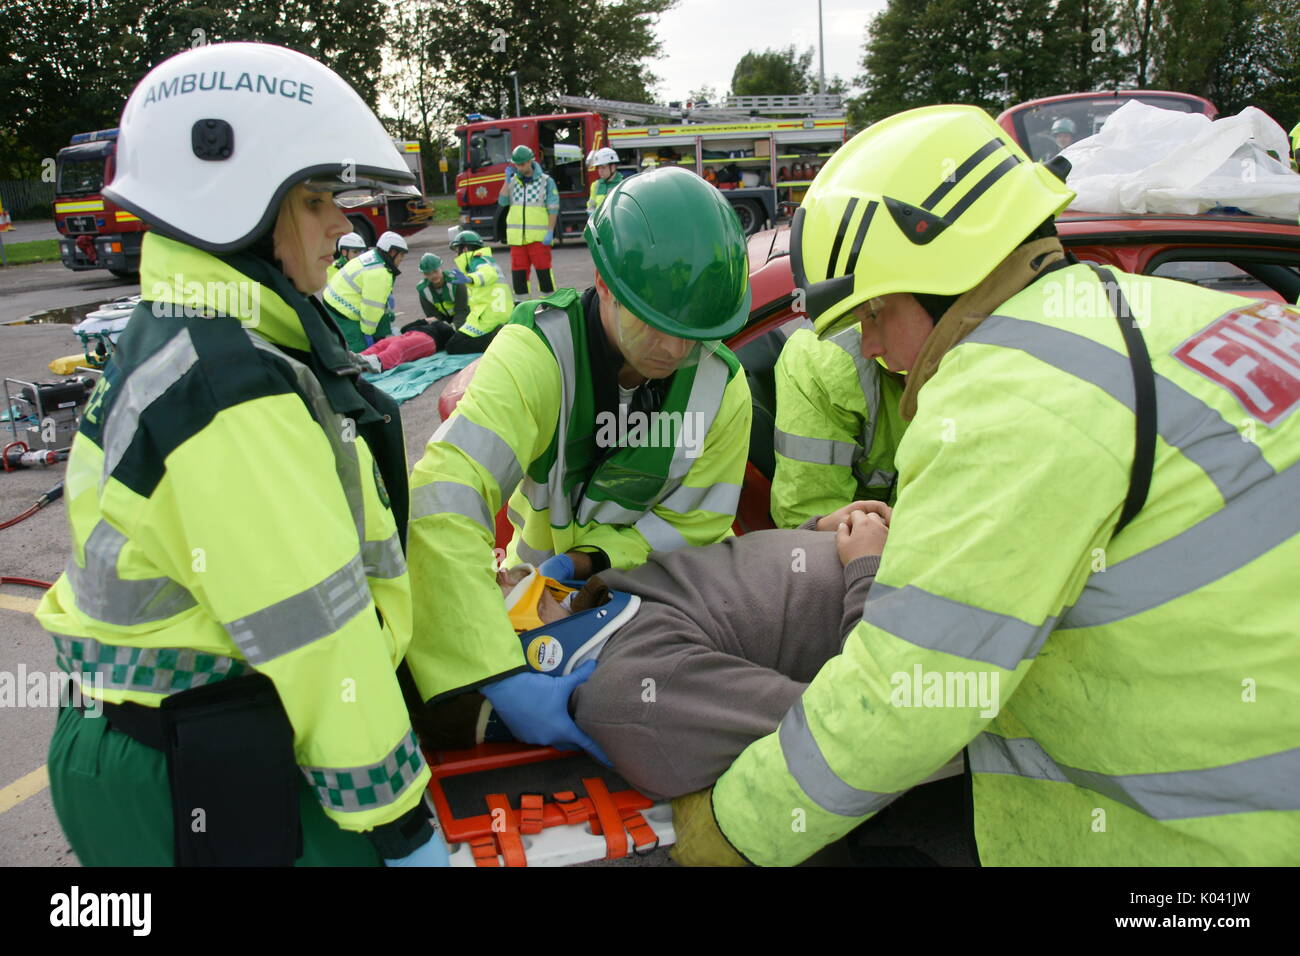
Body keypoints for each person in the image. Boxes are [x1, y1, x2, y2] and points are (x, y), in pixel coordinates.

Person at [673, 103, 1300, 866]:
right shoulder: (1187, 313)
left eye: (873, 311)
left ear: (946, 272)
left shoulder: (1008, 394)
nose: (867, 345)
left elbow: (906, 699)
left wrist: (732, 829)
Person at [34, 42, 446, 866]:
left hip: (174, 742)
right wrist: (401, 823)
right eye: (318, 198)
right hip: (193, 763)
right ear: (237, 201)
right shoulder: (231, 386)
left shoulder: (204, 340)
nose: (345, 222)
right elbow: (315, 628)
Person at [405, 166, 754, 760]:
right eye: (658, 322)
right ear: (604, 282)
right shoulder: (536, 354)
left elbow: (696, 530)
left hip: (641, 595)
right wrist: (492, 665)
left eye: (694, 334)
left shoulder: (721, 389)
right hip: (529, 589)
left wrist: (595, 559)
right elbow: (445, 497)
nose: (673, 350)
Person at [770, 325, 907, 526]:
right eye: (872, 315)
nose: (870, 347)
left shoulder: (963, 367)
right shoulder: (821, 361)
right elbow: (811, 519)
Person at [323, 229, 408, 351]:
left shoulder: (372, 257)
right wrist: (368, 334)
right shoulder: (380, 274)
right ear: (392, 252)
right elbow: (371, 308)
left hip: (334, 301)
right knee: (359, 350)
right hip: (341, 311)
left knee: (379, 321)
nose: (402, 259)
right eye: (401, 255)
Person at [497, 145, 559, 296]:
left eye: (523, 164)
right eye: (517, 164)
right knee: (519, 277)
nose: (520, 167)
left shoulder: (546, 181)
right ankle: (523, 308)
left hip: (538, 239)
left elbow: (553, 207)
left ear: (531, 161)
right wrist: (507, 181)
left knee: (544, 274)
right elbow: (502, 201)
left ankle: (550, 305)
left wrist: (550, 231)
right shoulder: (513, 181)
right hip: (517, 240)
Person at [440, 229, 512, 353]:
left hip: (488, 317)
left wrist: (469, 278)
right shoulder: (486, 259)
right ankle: (498, 337)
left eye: (457, 250)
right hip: (496, 313)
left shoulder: (477, 261)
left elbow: (488, 274)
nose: (456, 255)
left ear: (465, 249)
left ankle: (496, 338)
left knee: (453, 346)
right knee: (456, 342)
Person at [415, 252, 468, 326]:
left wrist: (454, 327)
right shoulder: (423, 290)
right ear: (424, 274)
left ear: (441, 268)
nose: (433, 276)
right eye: (428, 273)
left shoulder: (456, 282)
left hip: (466, 316)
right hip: (444, 319)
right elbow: (432, 315)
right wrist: (443, 327)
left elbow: (462, 310)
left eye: (435, 271)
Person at [586, 147, 623, 212]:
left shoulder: (622, 184)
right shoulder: (596, 185)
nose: (600, 171)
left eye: (603, 167)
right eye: (598, 168)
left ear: (613, 167)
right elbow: (591, 206)